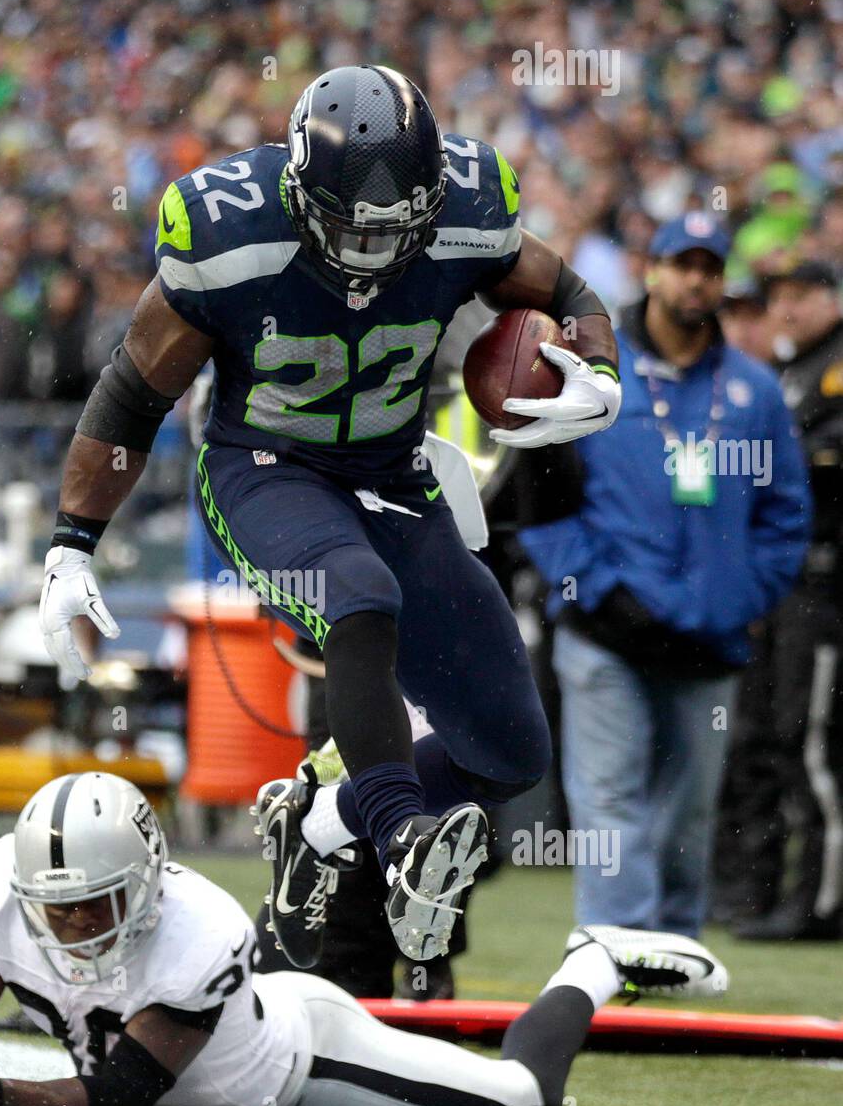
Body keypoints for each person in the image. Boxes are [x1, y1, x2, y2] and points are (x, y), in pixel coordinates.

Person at [38, 65, 622, 972]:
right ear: (302, 188)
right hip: (265, 469)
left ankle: (322, 817)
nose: (375, 249)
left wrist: (600, 377)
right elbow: (130, 397)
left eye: (400, 228)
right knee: (357, 596)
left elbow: (574, 296)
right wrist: (72, 543)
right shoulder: (227, 230)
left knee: (510, 747)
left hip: (392, 473)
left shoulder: (472, 204)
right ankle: (400, 845)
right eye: (354, 224)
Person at [0, 772, 727, 1106]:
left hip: (301, 1060)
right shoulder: (2, 894)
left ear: (145, 881)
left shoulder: (199, 928)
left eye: (92, 905)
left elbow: (119, 1100)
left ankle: (592, 961)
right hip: (219, 1060)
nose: (71, 927)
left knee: (523, 1099)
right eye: (56, 908)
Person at [520, 215, 810, 938]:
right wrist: (595, 589)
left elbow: (787, 515)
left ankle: (674, 948)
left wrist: (743, 596)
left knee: (689, 809)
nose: (696, 280)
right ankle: (617, 953)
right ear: (653, 270)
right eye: (683, 264)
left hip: (710, 636)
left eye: (710, 268)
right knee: (609, 798)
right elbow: (543, 500)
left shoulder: (755, 391)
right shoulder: (590, 369)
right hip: (605, 630)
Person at [717, 262, 843, 940]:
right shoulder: (792, 374)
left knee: (815, 750)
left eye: (801, 297)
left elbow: (812, 462)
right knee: (773, 742)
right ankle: (768, 893)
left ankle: (821, 904)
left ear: (830, 298)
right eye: (781, 300)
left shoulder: (831, 366)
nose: (787, 310)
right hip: (785, 588)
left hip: (825, 587)